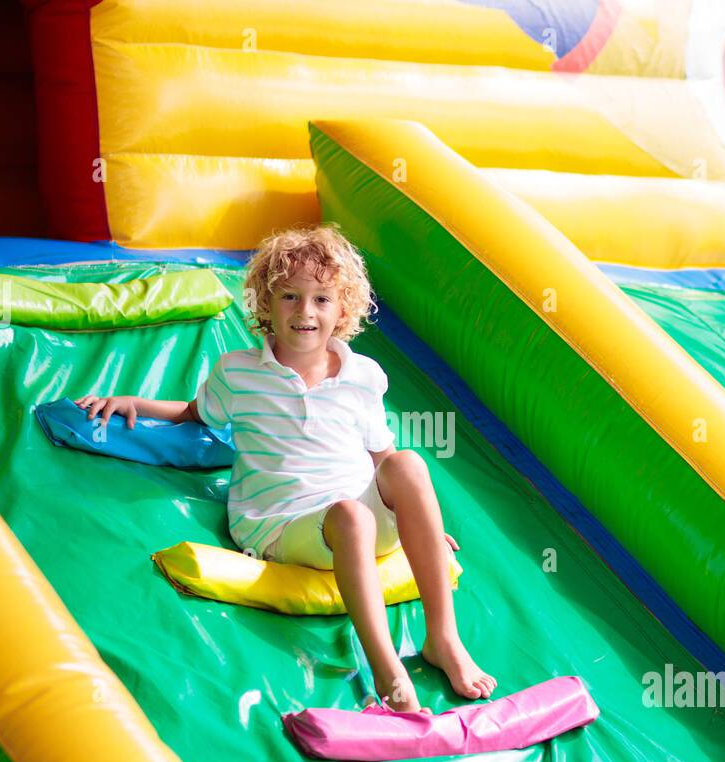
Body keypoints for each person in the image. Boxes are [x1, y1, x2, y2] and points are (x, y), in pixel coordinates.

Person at [76, 224, 496, 713]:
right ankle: (387, 671)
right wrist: (134, 403)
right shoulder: (238, 372)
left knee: (408, 463)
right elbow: (196, 413)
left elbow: (383, 458)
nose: (305, 311)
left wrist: (420, 523)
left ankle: (443, 639)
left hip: (354, 515)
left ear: (343, 309)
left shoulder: (363, 376)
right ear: (265, 305)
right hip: (283, 524)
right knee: (350, 516)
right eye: (290, 297)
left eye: (322, 299)